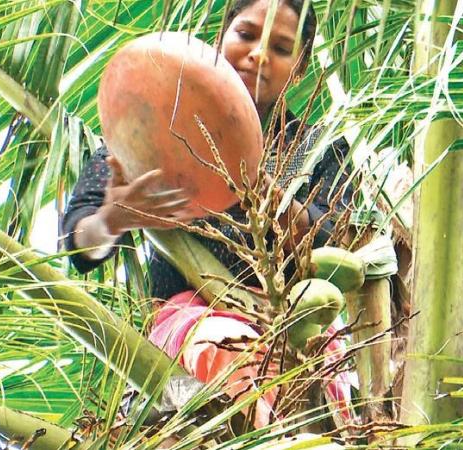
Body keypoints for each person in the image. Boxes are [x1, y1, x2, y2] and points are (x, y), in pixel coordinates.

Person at [61, 0, 354, 428]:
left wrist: (258, 187)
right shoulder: (154, 125)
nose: (258, 55)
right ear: (221, 36)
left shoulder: (321, 148)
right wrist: (114, 218)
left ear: (301, 66)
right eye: (247, 35)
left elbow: (336, 245)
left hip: (300, 340)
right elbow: (78, 241)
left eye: (281, 47)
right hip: (186, 344)